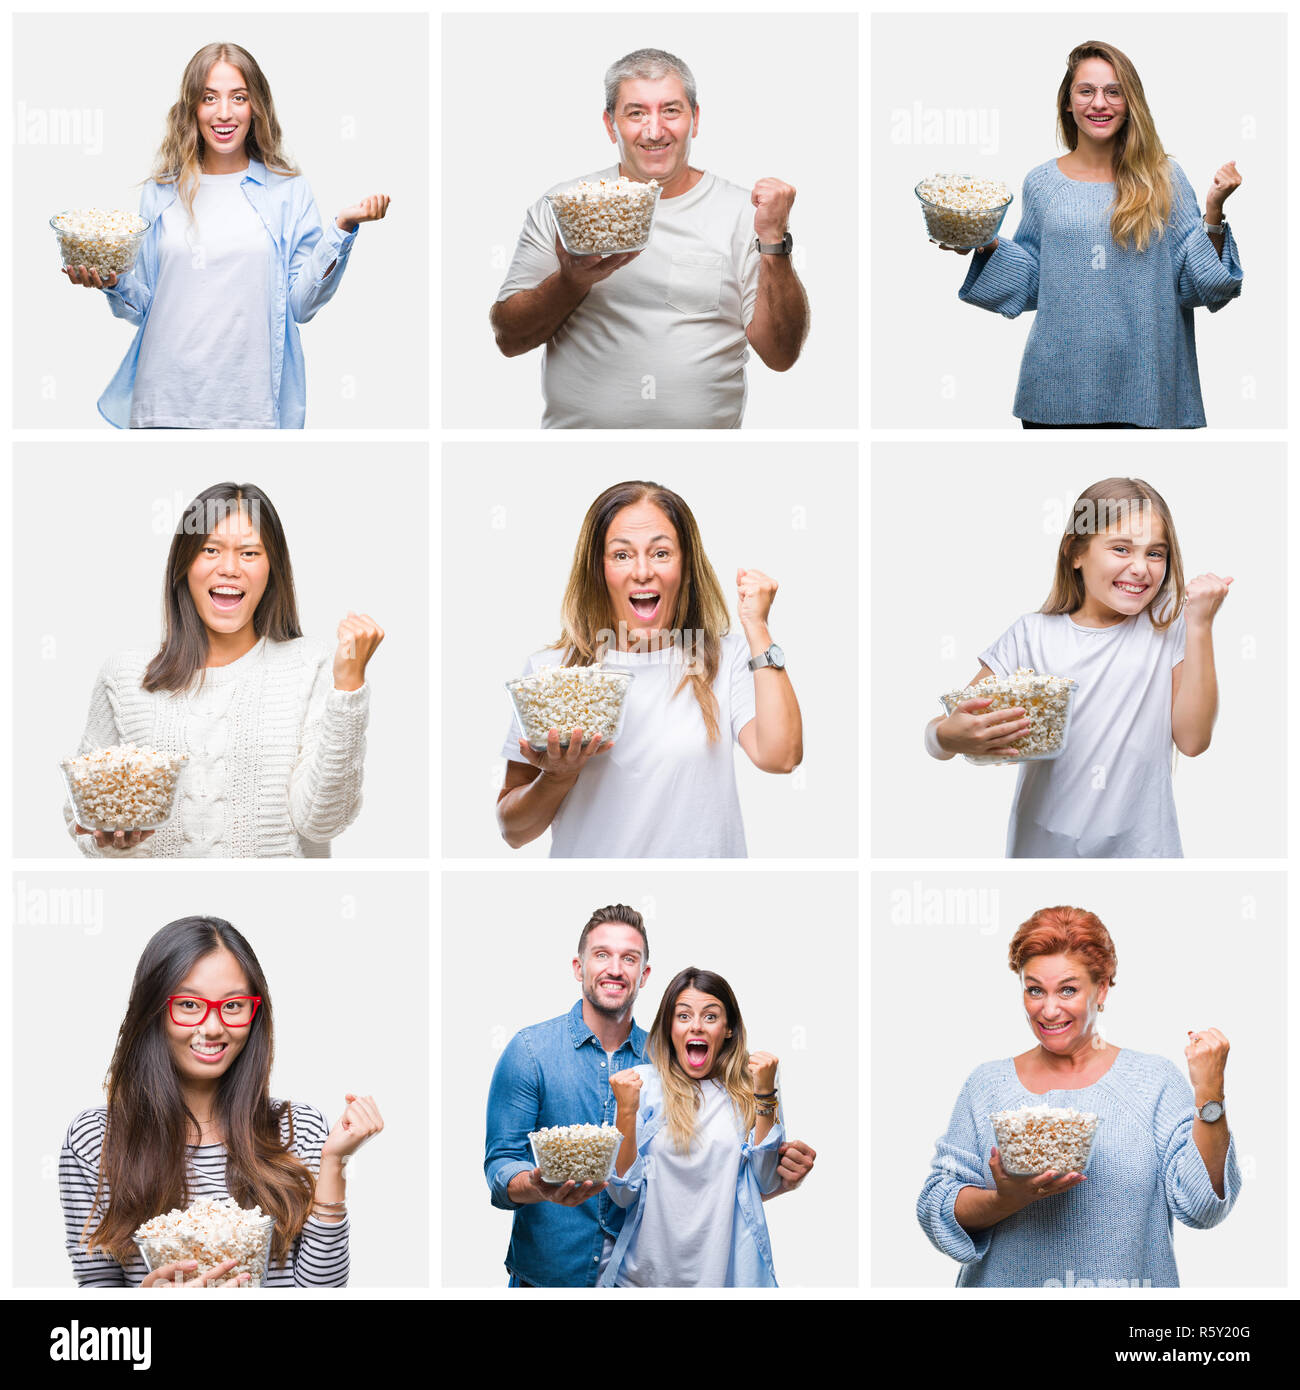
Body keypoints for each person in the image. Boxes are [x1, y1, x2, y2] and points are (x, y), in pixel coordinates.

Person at [61, 41, 390, 428]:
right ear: (192, 108)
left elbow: (301, 305)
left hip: (250, 407)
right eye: (208, 98)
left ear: (256, 107)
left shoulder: (287, 190)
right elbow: (143, 307)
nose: (224, 113)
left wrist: (342, 229)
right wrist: (112, 283)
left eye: (238, 97)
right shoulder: (162, 191)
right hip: (164, 402)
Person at [483, 905, 816, 1287]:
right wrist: (536, 1186)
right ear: (579, 967)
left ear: (644, 976)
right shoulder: (530, 1052)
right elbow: (500, 1164)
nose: (615, 968)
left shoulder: (667, 1066)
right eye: (602, 955)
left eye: (629, 958)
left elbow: (701, 1184)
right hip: (551, 1278)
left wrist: (773, 1175)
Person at [917, 906, 1237, 1288]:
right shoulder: (987, 1084)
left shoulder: (1153, 1082)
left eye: (1067, 989)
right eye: (1034, 989)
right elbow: (936, 1207)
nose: (1048, 1010)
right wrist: (1006, 1199)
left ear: (1101, 989)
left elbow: (1203, 1208)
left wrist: (1209, 1090)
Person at [491, 47, 808, 428]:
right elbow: (509, 339)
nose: (655, 131)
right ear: (611, 125)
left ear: (695, 119)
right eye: (636, 113)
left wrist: (774, 238)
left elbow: (780, 355)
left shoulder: (745, 213)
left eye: (671, 111)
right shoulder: (563, 206)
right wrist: (571, 281)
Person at [64, 480, 384, 857]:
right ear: (184, 565)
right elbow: (81, 817)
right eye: (210, 550)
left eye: (249, 553)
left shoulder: (310, 664)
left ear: (272, 569)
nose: (229, 568)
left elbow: (321, 822)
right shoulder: (125, 674)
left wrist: (348, 686)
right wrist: (109, 842)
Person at [59, 915, 384, 1287]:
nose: (213, 1027)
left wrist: (333, 1162)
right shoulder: (96, 1139)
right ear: (153, 1010)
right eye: (188, 1005)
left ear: (254, 1011)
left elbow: (323, 1293)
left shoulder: (300, 1129)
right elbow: (96, 1292)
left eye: (232, 1006)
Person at [923, 477, 1231, 857]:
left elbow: (1193, 740)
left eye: (1156, 553)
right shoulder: (1030, 635)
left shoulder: (1168, 624)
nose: (1140, 568)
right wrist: (945, 739)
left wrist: (1200, 624)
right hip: (1043, 850)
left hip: (1144, 852)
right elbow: (946, 724)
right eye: (1121, 548)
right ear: (1075, 552)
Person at [941, 40, 1242, 428]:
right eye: (1086, 91)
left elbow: (1199, 287)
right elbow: (1036, 282)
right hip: (1057, 391)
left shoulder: (1164, 179)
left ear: (1130, 102)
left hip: (1149, 388)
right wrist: (984, 241)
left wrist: (1214, 210)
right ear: (1068, 102)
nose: (1099, 103)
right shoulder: (1042, 183)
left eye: (1113, 92)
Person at [497, 480, 802, 857]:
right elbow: (513, 831)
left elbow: (781, 756)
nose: (642, 572)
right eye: (622, 555)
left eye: (660, 553)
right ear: (598, 569)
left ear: (685, 566)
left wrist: (758, 627)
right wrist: (557, 777)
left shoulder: (726, 659)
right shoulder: (552, 671)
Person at [602, 967, 783, 1286]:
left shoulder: (751, 1087)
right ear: (669, 1027)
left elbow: (766, 1180)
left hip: (723, 1278)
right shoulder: (643, 1085)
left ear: (728, 1029)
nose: (696, 1026)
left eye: (710, 1017)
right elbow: (623, 1194)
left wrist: (766, 1094)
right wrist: (626, 1111)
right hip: (643, 1280)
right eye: (683, 1016)